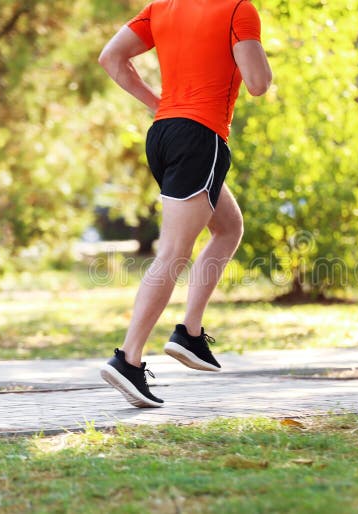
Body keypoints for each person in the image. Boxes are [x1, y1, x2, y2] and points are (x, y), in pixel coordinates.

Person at [97, 0, 272, 408]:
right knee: (173, 252)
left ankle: (189, 334)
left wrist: (158, 103)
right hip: (201, 137)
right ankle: (128, 360)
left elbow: (111, 57)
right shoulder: (238, 9)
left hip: (163, 134)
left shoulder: (162, 7)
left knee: (228, 227)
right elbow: (258, 83)